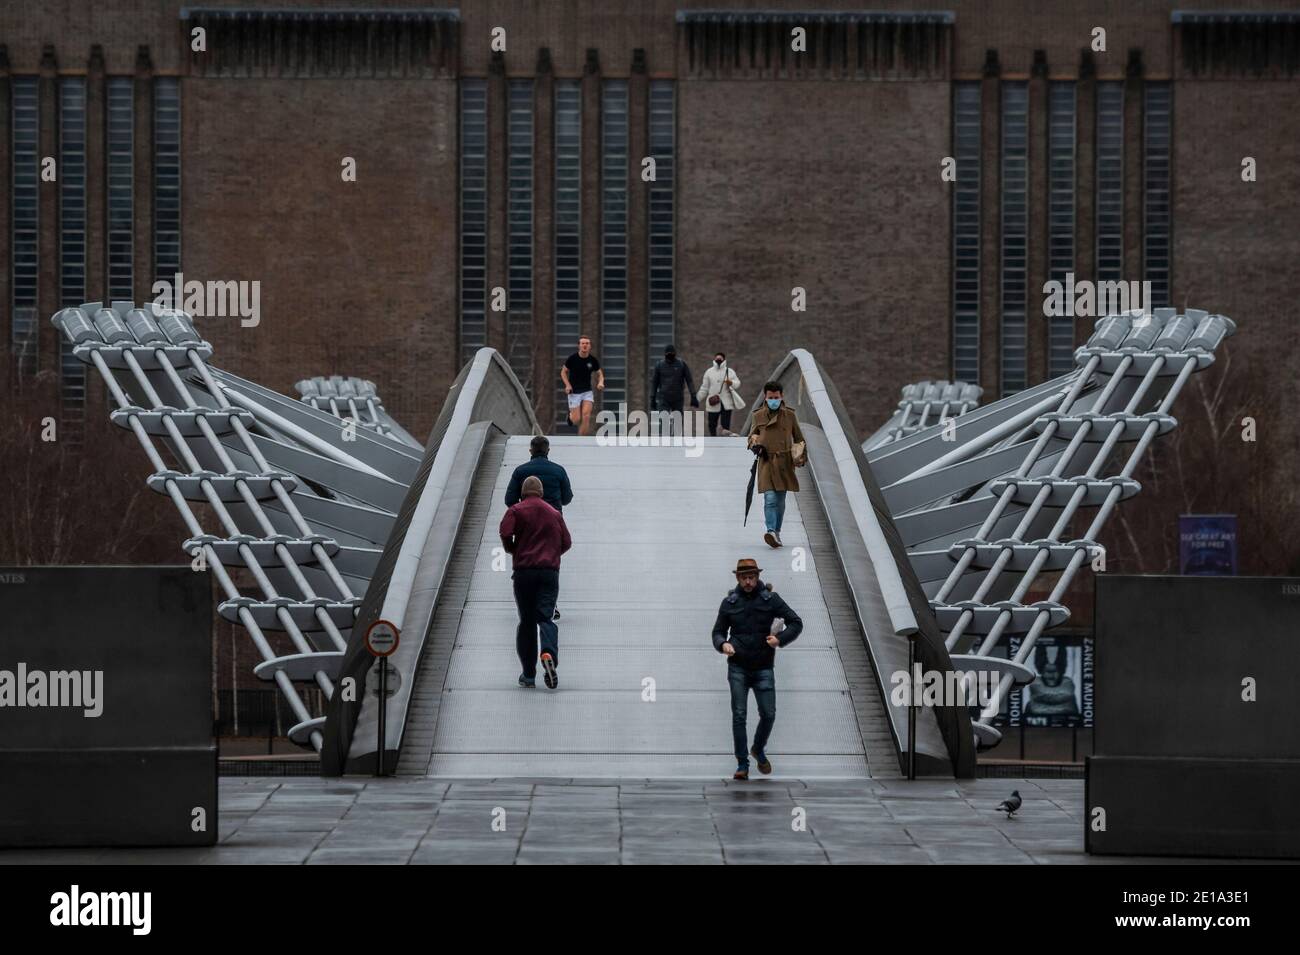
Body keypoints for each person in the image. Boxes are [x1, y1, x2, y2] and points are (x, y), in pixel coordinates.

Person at [711, 558, 803, 780]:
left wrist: (780, 639)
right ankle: (742, 764)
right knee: (739, 715)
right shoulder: (729, 603)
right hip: (738, 667)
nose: (748, 582)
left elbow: (796, 622)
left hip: (763, 666)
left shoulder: (770, 599)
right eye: (744, 578)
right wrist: (723, 644)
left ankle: (758, 748)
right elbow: (718, 632)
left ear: (757, 577)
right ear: (738, 578)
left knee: (768, 714)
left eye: (752, 577)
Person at [499, 475, 571, 689]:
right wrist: (553, 555)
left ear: (523, 492)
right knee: (546, 617)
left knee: (526, 622)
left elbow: (505, 532)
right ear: (541, 492)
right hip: (549, 572)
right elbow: (566, 541)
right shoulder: (554, 513)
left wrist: (511, 548)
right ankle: (548, 653)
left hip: (524, 572)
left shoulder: (515, 510)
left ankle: (528, 675)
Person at [505, 434, 574, 621]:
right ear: (548, 451)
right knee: (550, 564)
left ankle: (527, 599)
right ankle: (551, 604)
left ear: (530, 451)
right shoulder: (559, 471)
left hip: (526, 524)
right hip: (552, 525)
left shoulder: (520, 472)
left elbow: (509, 500)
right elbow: (567, 498)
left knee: (527, 558)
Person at [747, 381, 806, 549]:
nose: (773, 400)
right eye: (770, 397)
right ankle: (771, 530)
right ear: (765, 397)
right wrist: (755, 445)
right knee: (770, 498)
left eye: (776, 397)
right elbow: (752, 436)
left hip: (785, 462)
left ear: (781, 397)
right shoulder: (758, 415)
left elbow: (799, 438)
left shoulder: (790, 416)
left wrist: (800, 455)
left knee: (780, 500)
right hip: (766, 461)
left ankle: (777, 532)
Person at [650, 343, 698, 437]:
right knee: (664, 420)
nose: (670, 355)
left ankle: (676, 441)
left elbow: (689, 380)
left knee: (678, 422)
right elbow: (654, 383)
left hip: (677, 398)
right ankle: (666, 441)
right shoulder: (659, 365)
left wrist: (693, 396)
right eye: (668, 354)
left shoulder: (681, 364)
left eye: (671, 353)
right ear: (665, 354)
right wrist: (652, 398)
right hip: (664, 398)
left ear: (675, 354)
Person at [561, 336, 603, 436]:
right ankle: (570, 417)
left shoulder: (592, 360)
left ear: (590, 346)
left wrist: (601, 382)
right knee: (576, 420)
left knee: (586, 415)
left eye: (587, 343)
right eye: (583, 343)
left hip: (587, 392)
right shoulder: (572, 359)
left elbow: (600, 373)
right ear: (579, 346)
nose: (585, 345)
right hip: (574, 392)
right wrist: (567, 385)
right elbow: (563, 372)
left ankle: (582, 439)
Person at [696, 351, 743, 436]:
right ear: (714, 359)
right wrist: (697, 399)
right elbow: (704, 388)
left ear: (724, 360)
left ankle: (725, 442)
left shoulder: (729, 371)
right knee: (712, 424)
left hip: (726, 402)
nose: (718, 359)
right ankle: (713, 439)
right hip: (713, 402)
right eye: (717, 358)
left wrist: (731, 383)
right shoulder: (709, 372)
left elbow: (738, 383)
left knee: (725, 425)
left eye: (720, 358)